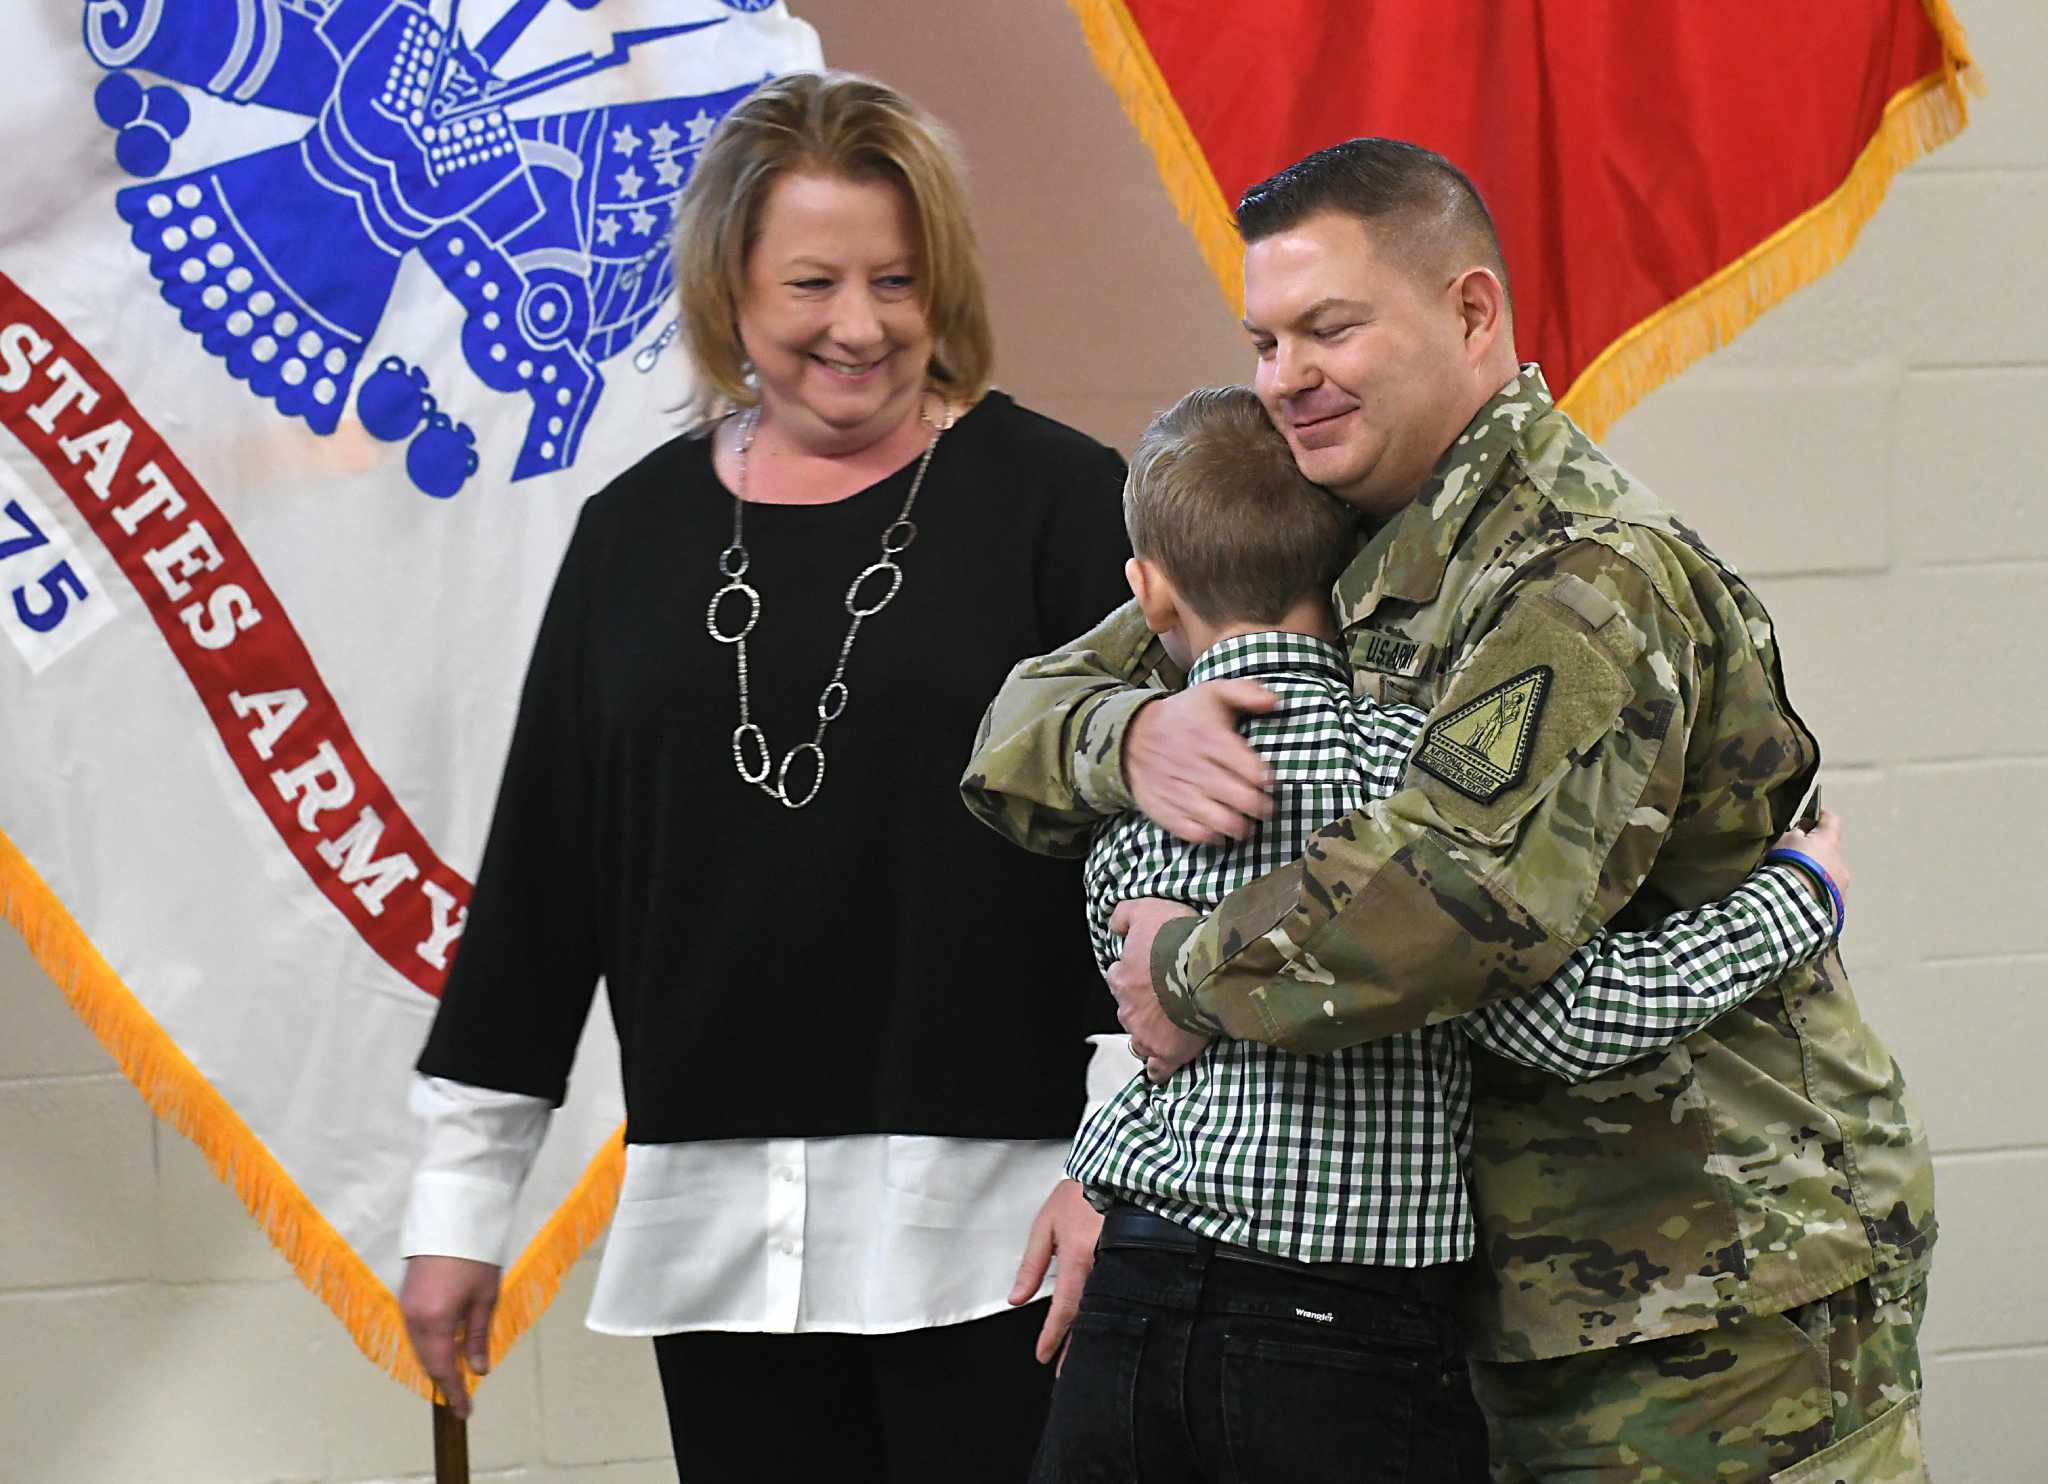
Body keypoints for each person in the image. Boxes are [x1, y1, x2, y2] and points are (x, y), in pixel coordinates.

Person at [964, 140, 1934, 1483]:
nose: (1286, 376)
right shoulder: (1319, 525)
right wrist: (1130, 734)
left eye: (1329, 328)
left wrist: (1181, 974)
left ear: (1472, 313)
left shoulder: (1582, 575)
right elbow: (1014, 730)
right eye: (1264, 338)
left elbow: (1450, 910)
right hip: (1446, 1314)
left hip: (1703, 1313)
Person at [395, 72, 1134, 1482]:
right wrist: (457, 1207)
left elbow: (1150, 862)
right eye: (813, 281)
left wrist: (1122, 1171)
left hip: (1009, 1222)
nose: (859, 324)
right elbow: (546, 882)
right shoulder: (633, 535)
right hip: (723, 1230)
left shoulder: (1058, 500)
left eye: (897, 280)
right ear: (730, 287)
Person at [1023, 384, 1851, 1482]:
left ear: (1147, 593)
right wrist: (1795, 895)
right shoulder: (1403, 776)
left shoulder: (1126, 789)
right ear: (1353, 573)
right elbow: (1560, 1021)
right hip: (1336, 1334)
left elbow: (1150, 1020)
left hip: (1131, 1304)